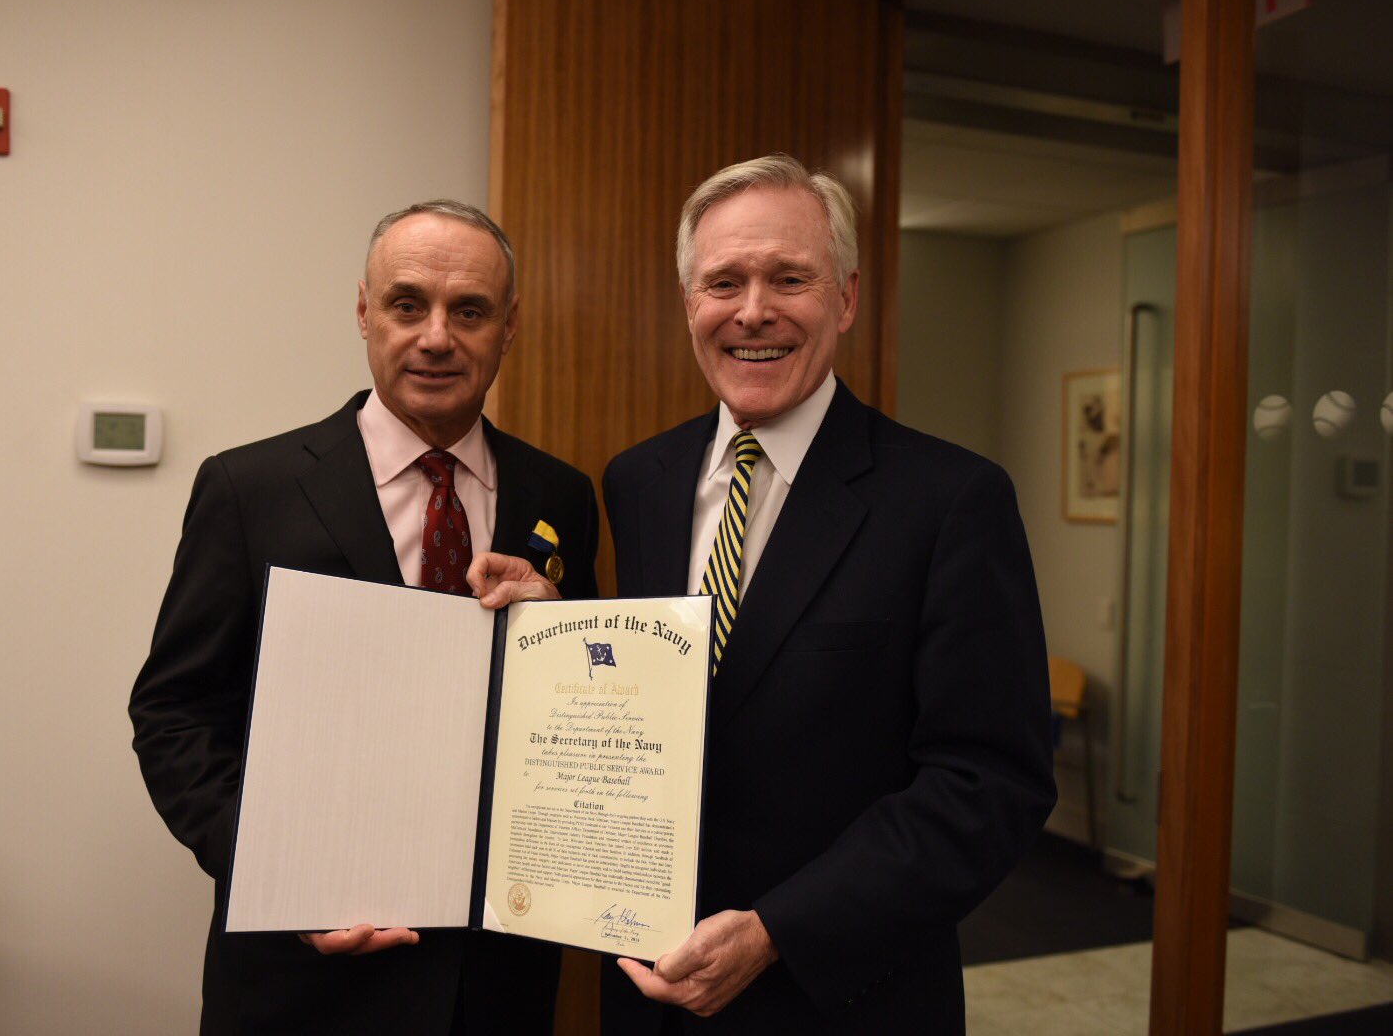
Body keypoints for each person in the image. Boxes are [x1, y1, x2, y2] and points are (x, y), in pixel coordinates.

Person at [473, 154, 1054, 1032]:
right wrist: (558, 639)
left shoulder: (949, 501)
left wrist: (778, 931)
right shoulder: (638, 481)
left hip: (840, 996)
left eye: (790, 278)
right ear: (689, 305)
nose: (753, 311)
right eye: (725, 282)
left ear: (847, 298)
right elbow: (670, 695)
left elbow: (989, 784)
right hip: (649, 990)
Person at [129, 199, 599, 1035]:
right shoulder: (249, 489)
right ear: (363, 312)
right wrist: (275, 870)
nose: (436, 337)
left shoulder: (560, 495)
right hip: (302, 977)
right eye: (407, 304)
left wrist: (565, 633)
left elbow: (575, 725)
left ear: (510, 326)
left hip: (496, 978)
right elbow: (173, 713)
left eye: (470, 311)